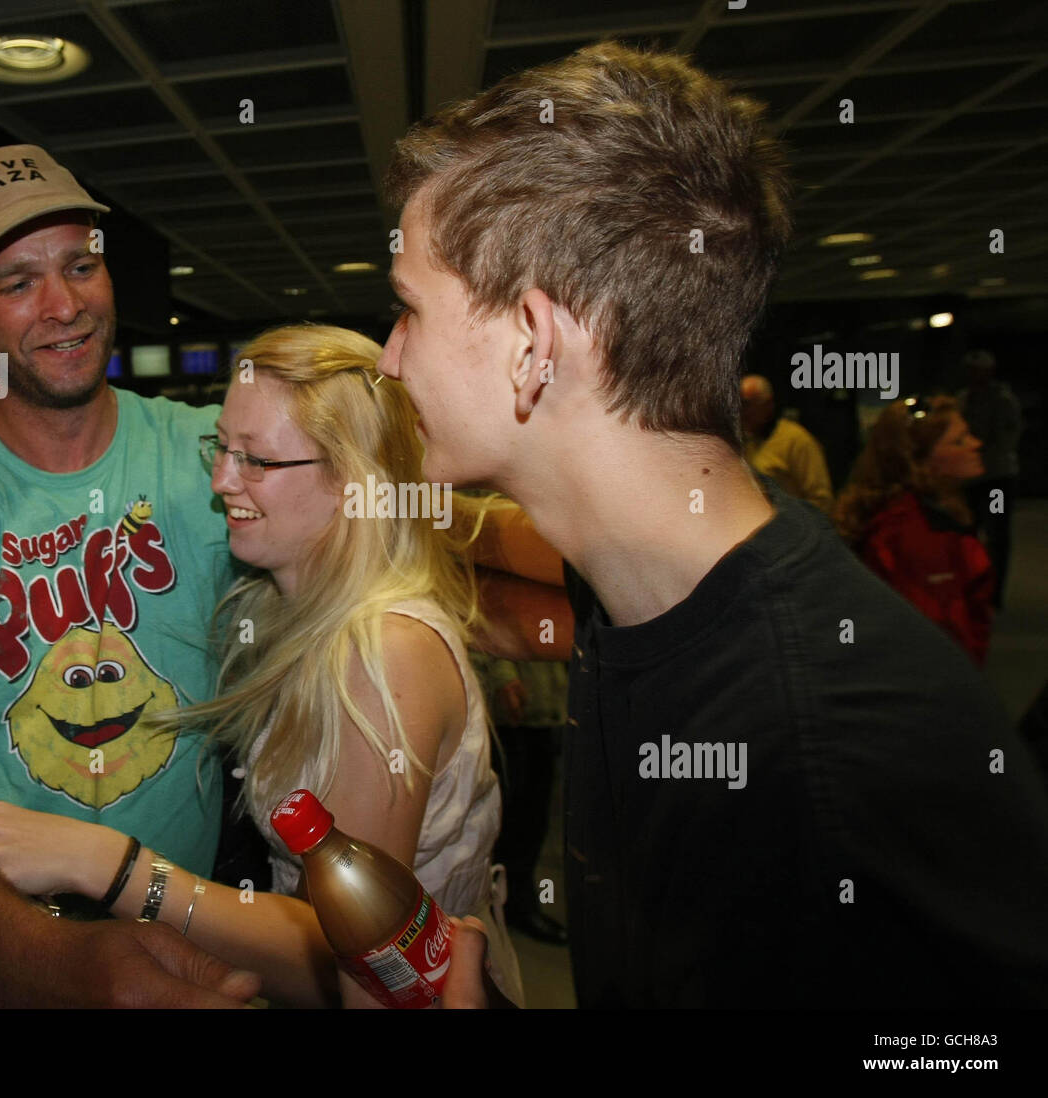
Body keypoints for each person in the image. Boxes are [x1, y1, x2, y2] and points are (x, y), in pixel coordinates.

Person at [377, 39, 1048, 1007]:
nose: (391, 360)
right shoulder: (645, 580)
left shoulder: (822, 759)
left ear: (533, 343)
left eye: (407, 312)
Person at [0, 325, 525, 1008]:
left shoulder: (379, 656)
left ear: (354, 482)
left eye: (256, 460)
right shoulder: (287, 607)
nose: (221, 480)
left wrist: (109, 868)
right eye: (221, 447)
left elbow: (353, 960)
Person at [0, 143, 260, 1009]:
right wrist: (46, 967)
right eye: (17, 282)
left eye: (80, 265)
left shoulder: (211, 453)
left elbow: (387, 553)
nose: (63, 307)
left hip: (191, 927)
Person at [834, 396, 994, 666]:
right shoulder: (914, 534)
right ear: (921, 459)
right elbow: (935, 640)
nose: (976, 444)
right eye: (959, 440)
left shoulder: (933, 515)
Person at [480, 657, 568, 944]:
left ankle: (516, 904)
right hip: (509, 720)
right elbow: (487, 621)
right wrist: (503, 677)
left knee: (532, 817)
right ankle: (495, 908)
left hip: (542, 713)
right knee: (507, 819)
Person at [959, 349, 1022, 609]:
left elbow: (1008, 435)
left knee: (996, 533)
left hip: (996, 478)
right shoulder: (963, 399)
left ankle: (994, 592)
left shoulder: (1002, 399)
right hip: (971, 479)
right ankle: (972, 588)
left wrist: (985, 453)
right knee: (968, 532)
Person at [740, 375, 834, 512]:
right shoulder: (743, 441)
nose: (741, 412)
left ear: (768, 404)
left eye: (747, 404)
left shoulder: (796, 440)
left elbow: (822, 500)